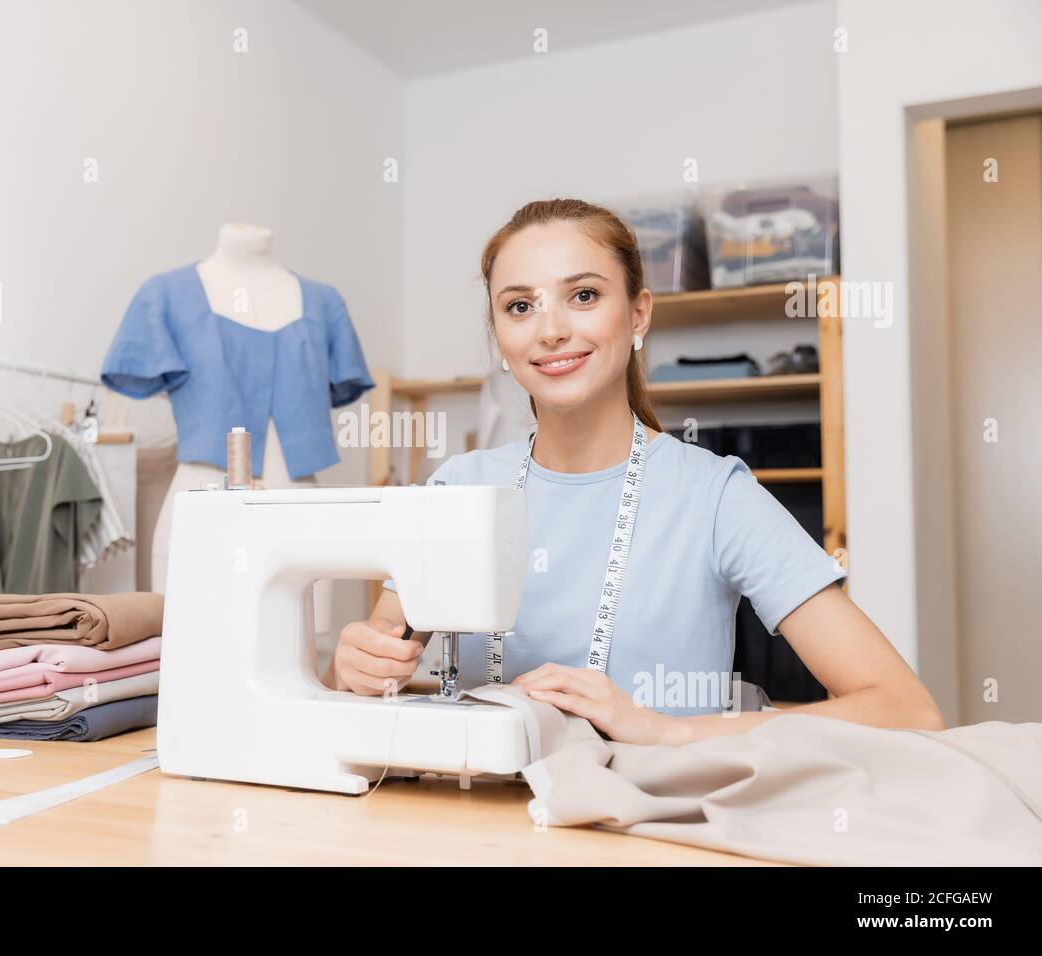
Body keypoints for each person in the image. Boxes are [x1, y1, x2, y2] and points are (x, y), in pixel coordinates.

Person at [321, 198, 942, 745]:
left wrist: (668, 730)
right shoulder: (458, 489)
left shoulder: (717, 495)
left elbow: (905, 709)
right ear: (500, 337)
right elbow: (361, 679)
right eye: (520, 306)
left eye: (584, 296)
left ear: (639, 315)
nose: (553, 329)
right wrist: (352, 669)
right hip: (484, 825)